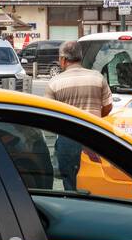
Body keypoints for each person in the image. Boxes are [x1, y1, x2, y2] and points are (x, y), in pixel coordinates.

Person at [45, 40, 113, 190]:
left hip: (67, 138)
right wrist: (95, 119)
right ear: (80, 57)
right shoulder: (97, 78)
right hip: (94, 137)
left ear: (63, 59)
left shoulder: (54, 83)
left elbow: (48, 116)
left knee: (70, 182)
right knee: (96, 180)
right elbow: (108, 106)